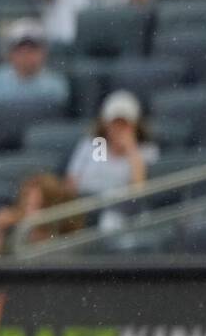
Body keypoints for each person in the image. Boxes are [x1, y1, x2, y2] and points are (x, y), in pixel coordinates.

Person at [65, 90, 160, 233]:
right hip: (89, 209)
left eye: (124, 124)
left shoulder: (146, 151)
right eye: (115, 123)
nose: (119, 129)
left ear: (134, 125)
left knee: (110, 222)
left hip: (125, 214)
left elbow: (139, 191)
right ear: (106, 124)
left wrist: (130, 150)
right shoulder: (96, 144)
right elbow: (71, 184)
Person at [0, 19, 70, 104]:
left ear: (44, 53)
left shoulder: (55, 84)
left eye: (32, 50)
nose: (26, 56)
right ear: (10, 54)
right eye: (20, 51)